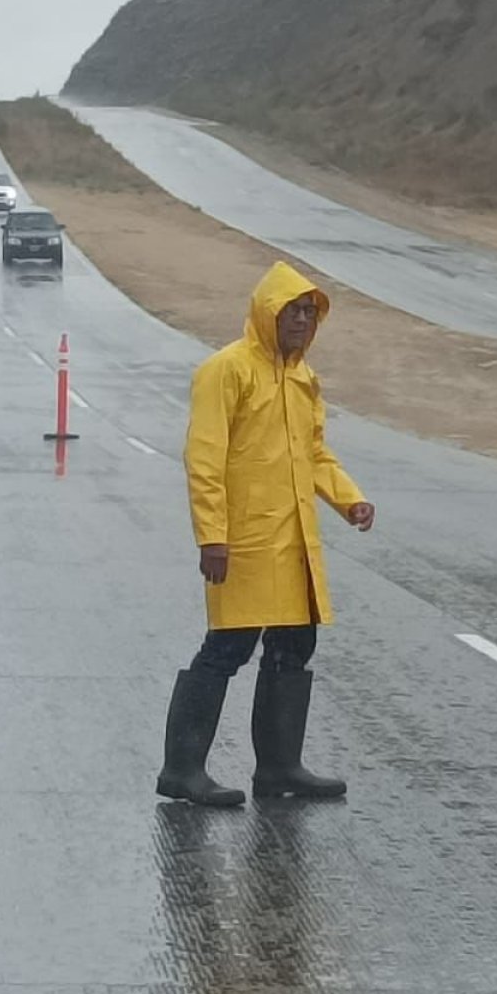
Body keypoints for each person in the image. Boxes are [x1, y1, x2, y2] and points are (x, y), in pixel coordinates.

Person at [157, 262, 375, 807]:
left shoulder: (303, 379)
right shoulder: (226, 370)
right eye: (293, 310)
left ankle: (279, 767)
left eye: (310, 312)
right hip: (244, 544)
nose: (302, 321)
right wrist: (212, 536)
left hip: (295, 541)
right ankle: (182, 769)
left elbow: (314, 454)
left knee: (295, 645)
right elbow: (203, 458)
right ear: (267, 312)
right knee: (227, 647)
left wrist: (350, 499)